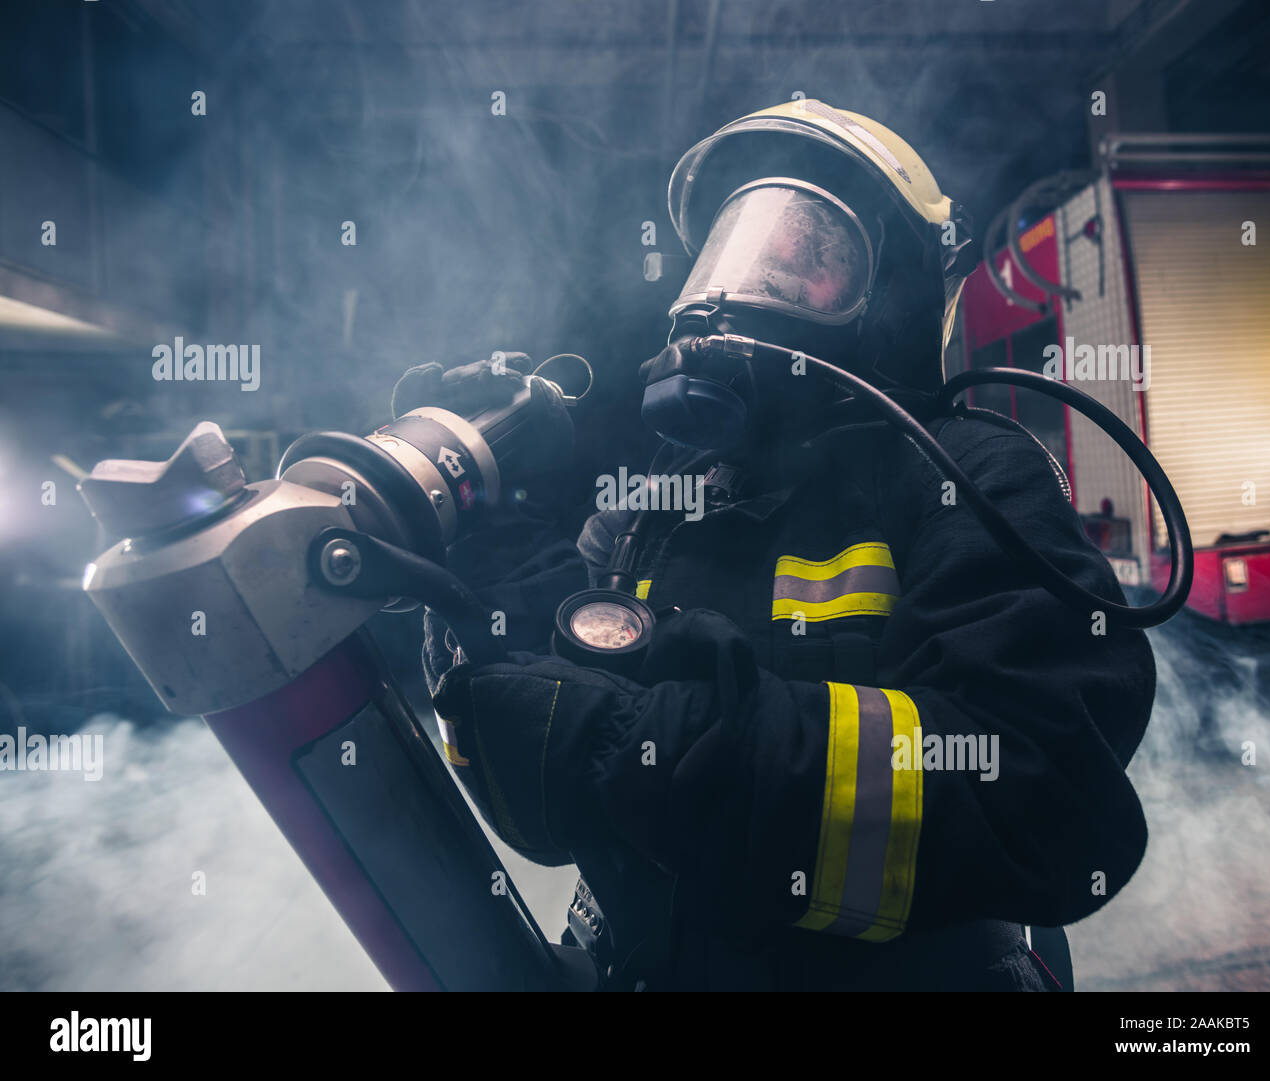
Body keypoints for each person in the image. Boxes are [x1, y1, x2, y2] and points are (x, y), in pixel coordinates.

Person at [397, 101, 1156, 990]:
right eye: (730, 247)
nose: (727, 293)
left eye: (804, 263)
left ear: (895, 304)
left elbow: (1043, 790)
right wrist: (491, 557)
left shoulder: (964, 477)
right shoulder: (662, 505)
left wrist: (656, 752)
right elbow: (555, 734)